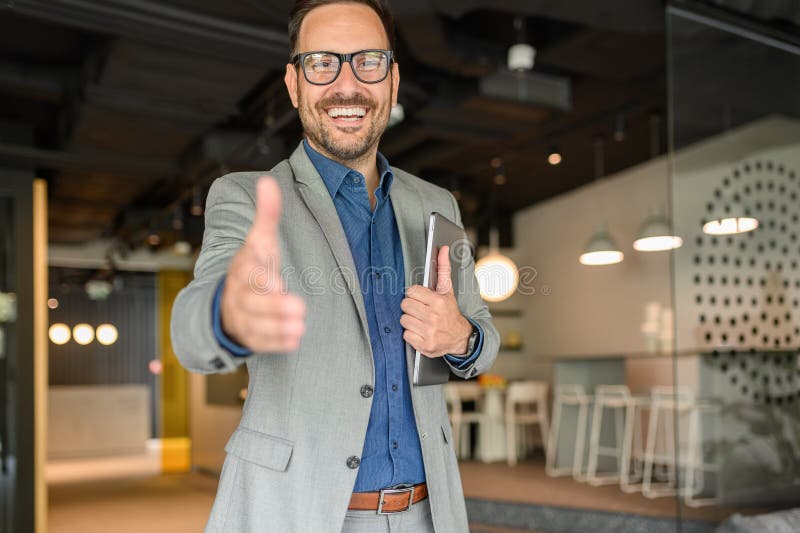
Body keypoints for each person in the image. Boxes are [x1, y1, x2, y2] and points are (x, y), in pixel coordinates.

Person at [170, 1, 499, 531]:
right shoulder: (245, 197)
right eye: (322, 63)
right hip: (296, 510)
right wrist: (225, 316)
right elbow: (192, 330)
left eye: (368, 61)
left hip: (427, 513)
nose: (347, 84)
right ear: (294, 84)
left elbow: (484, 336)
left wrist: (462, 337)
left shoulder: (437, 204)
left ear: (392, 81)